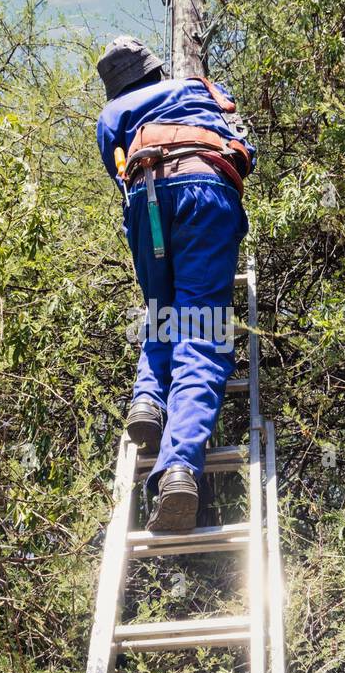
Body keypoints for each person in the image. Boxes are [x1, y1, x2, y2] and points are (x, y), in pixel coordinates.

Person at [95, 36, 254, 532]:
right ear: (155, 70)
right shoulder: (200, 88)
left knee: (161, 307)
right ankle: (180, 466)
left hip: (148, 198)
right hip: (205, 188)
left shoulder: (112, 115)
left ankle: (148, 398)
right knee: (201, 328)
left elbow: (118, 179)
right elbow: (244, 148)